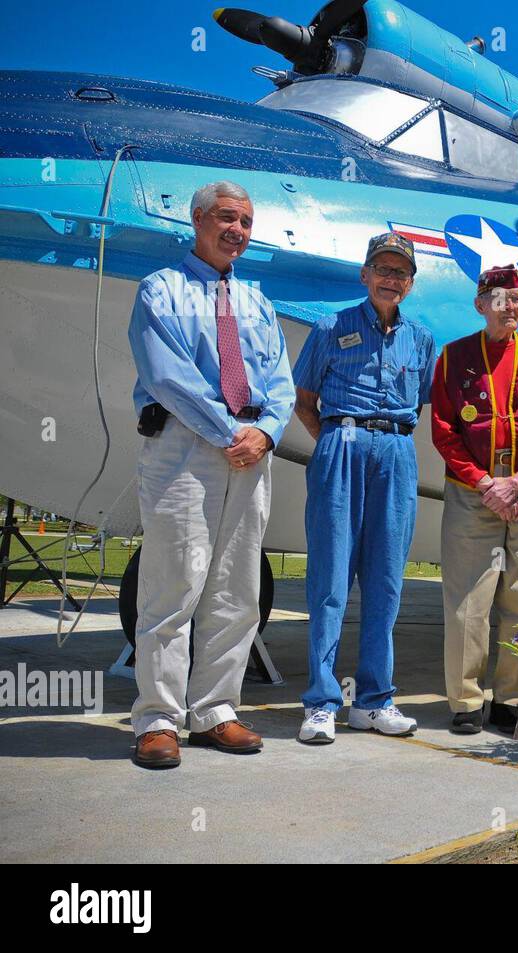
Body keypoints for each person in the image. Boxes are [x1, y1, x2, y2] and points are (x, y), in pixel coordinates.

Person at [126, 180, 294, 769]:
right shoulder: (161, 291)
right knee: (173, 586)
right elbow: (169, 376)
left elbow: (280, 381)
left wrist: (267, 431)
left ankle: (216, 711)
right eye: (227, 218)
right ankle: (157, 719)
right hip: (185, 449)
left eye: (246, 222)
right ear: (197, 219)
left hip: (250, 454)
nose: (238, 231)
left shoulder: (257, 301)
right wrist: (230, 433)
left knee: (236, 588)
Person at [292, 231, 435, 744]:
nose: (390, 279)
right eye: (383, 269)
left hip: (395, 451)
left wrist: (383, 440)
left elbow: (417, 405)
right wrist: (334, 440)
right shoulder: (331, 326)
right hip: (342, 443)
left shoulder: (420, 339)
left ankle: (374, 700)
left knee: (387, 581)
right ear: (365, 274)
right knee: (330, 579)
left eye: (400, 272)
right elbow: (303, 398)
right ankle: (322, 701)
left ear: (410, 283)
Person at [430, 265, 518, 734]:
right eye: (501, 298)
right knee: (468, 598)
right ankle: (466, 702)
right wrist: (487, 483)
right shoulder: (453, 357)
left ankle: (509, 699)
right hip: (473, 493)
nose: (511, 306)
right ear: (480, 304)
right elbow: (444, 432)